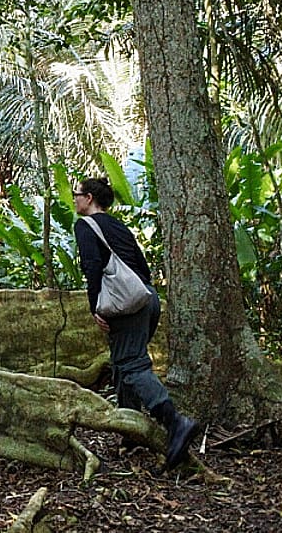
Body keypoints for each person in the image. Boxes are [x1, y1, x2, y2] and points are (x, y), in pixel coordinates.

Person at [72, 177, 199, 470]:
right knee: (122, 363)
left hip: (128, 305)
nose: (74, 199)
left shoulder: (86, 226)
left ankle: (175, 422)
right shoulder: (117, 225)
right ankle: (132, 431)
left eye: (77, 194)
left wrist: (96, 307)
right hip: (147, 298)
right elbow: (140, 265)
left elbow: (92, 267)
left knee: (132, 363)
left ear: (89, 198)